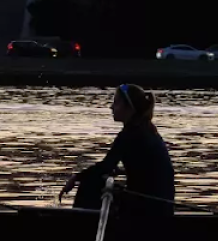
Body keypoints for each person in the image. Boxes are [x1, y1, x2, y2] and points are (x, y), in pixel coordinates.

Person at [62, 84, 174, 218]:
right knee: (101, 182)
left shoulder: (130, 134)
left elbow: (105, 167)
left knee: (90, 184)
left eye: (116, 103)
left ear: (129, 109)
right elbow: (145, 169)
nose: (111, 107)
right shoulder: (148, 129)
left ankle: (78, 224)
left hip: (148, 208)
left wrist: (76, 178)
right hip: (162, 205)